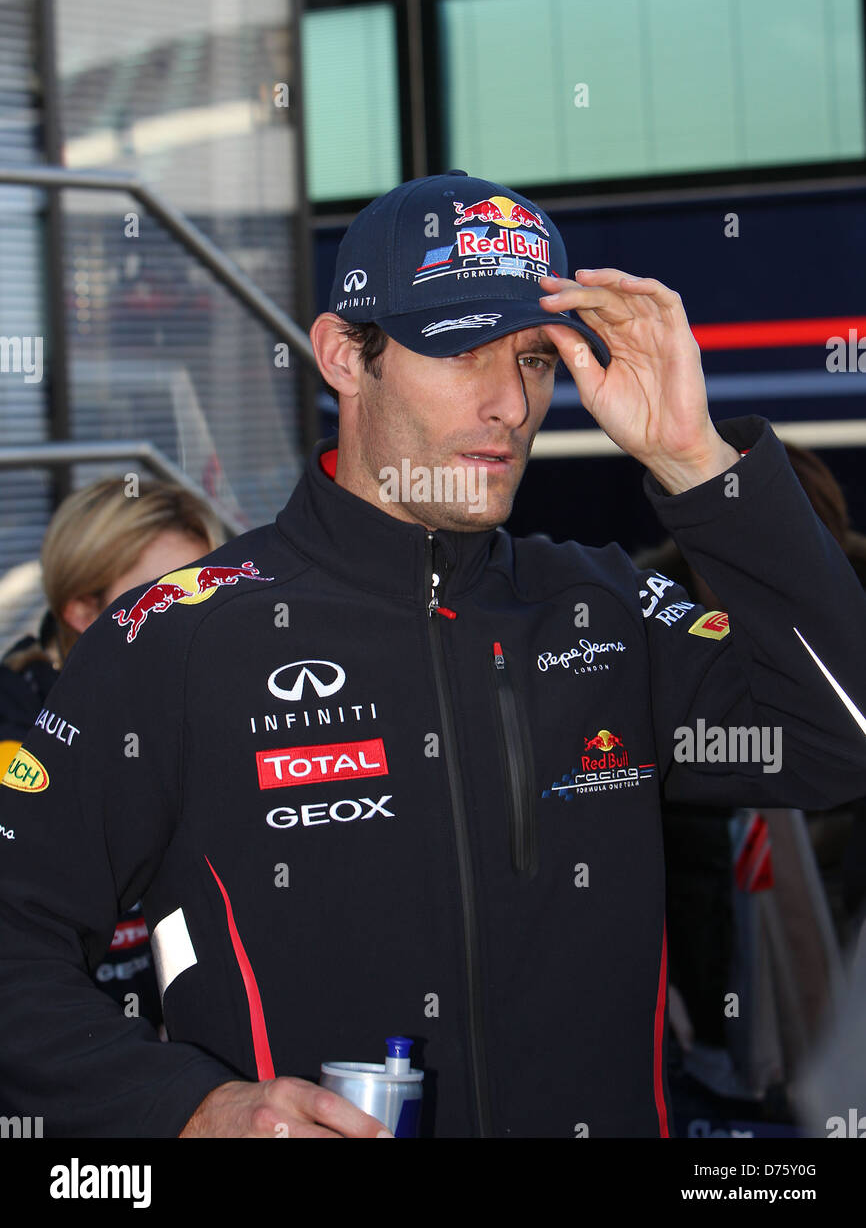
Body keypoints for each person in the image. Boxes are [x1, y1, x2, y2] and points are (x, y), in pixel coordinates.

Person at [1, 170, 865, 1140]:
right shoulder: (177, 636)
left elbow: (841, 735)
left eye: (536, 359)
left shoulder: (603, 607)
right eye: (460, 350)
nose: (509, 403)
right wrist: (186, 1108)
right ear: (342, 355)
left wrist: (693, 459)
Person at [0, 479, 223, 1033]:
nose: (194, 619)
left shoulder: (223, 709)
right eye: (165, 597)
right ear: (81, 609)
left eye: (208, 592)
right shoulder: (16, 742)